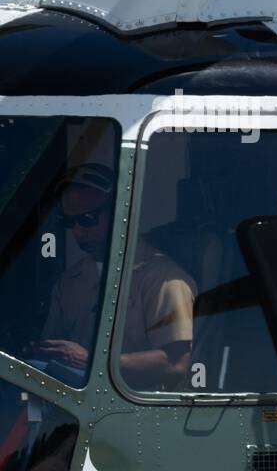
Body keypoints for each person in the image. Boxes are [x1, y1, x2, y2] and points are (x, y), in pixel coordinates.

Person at [31, 163, 196, 392]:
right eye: (69, 222)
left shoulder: (165, 279)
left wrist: (92, 362)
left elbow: (176, 364)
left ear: (121, 212)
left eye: (88, 219)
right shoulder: (69, 281)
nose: (78, 230)